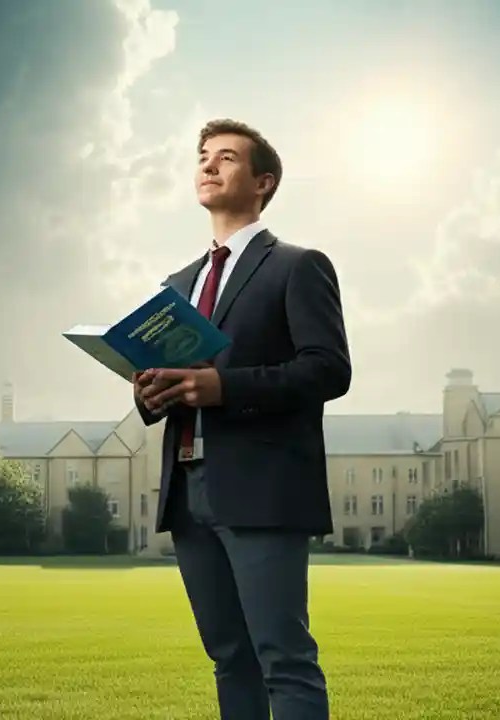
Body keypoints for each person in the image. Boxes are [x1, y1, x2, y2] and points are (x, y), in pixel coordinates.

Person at [134, 118, 351, 720]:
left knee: (284, 658)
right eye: (202, 156)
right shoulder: (176, 285)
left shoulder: (297, 266)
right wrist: (150, 391)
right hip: (187, 490)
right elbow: (168, 387)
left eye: (226, 157)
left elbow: (327, 370)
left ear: (263, 183)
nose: (207, 165)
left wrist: (221, 387)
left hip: (263, 489)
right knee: (230, 658)